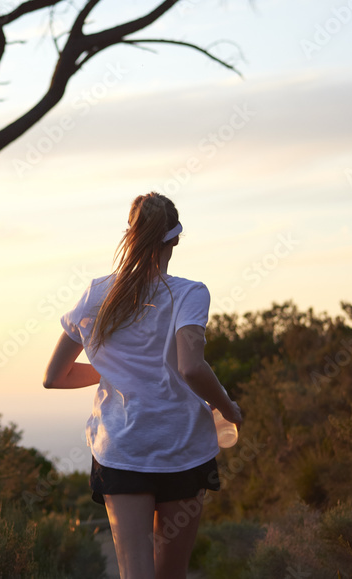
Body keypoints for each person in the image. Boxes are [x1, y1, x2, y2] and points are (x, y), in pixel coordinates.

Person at [43, 192, 242, 579]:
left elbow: (54, 377)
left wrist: (115, 369)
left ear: (131, 234)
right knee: (172, 574)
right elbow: (191, 368)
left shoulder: (96, 293)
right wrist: (229, 408)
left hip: (122, 453)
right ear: (176, 239)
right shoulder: (189, 293)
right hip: (184, 449)